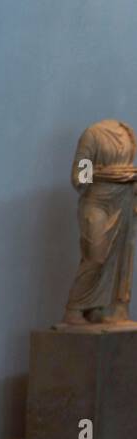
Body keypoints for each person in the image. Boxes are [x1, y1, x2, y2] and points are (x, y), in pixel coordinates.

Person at [63, 119, 137, 326]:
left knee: (118, 259)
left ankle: (103, 309)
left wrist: (127, 178)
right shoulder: (92, 135)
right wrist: (108, 174)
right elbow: (80, 177)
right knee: (96, 256)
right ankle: (74, 308)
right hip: (97, 203)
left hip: (123, 202)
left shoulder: (129, 134)